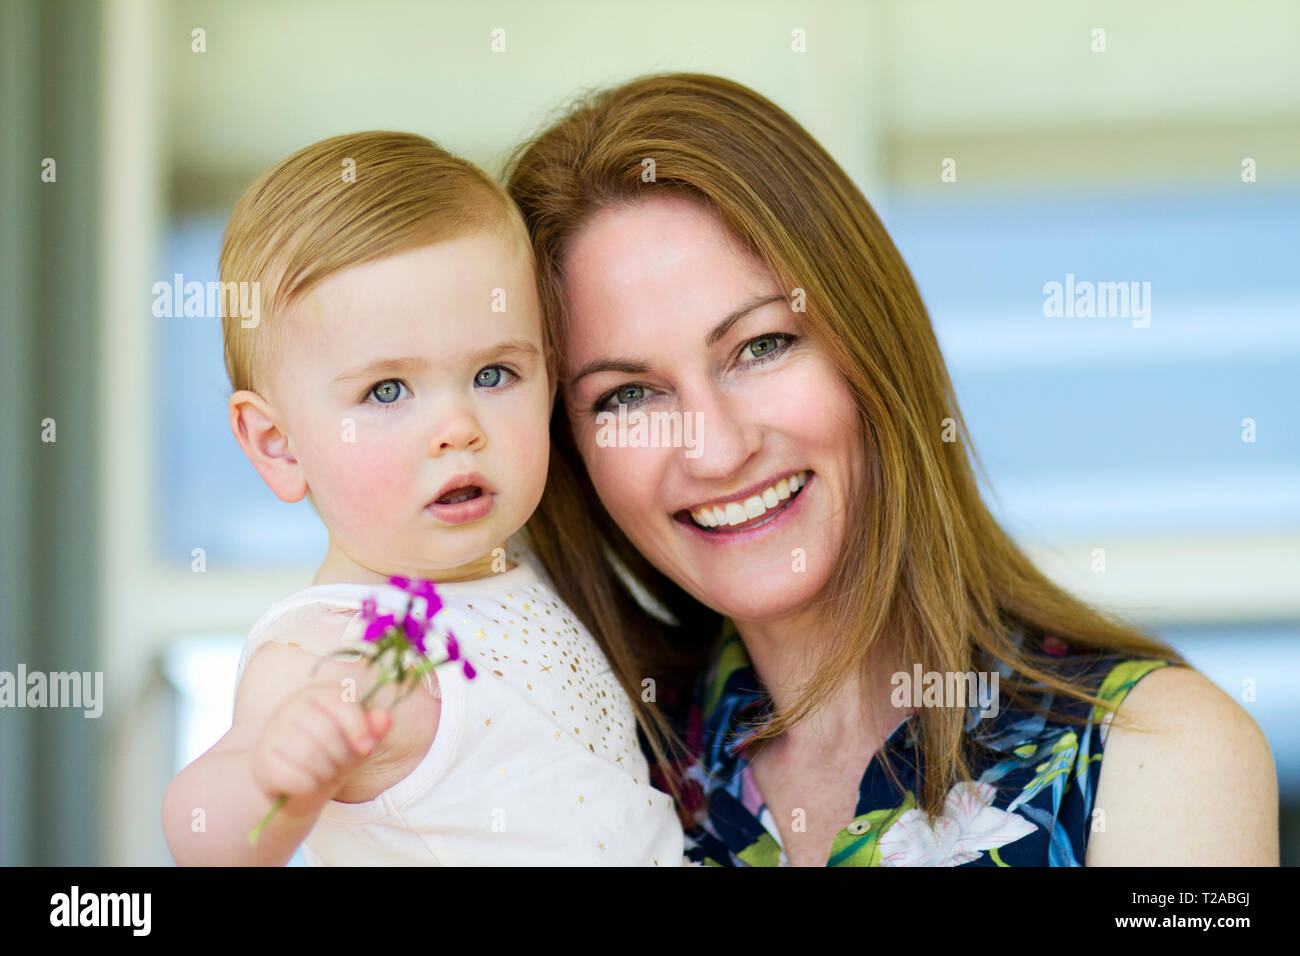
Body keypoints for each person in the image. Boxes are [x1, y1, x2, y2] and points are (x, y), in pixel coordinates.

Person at [505, 73, 1279, 866]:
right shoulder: (576, 781)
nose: (715, 450)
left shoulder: (1159, 757)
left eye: (763, 346)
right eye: (628, 394)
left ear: (870, 344)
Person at [161, 131, 686, 866]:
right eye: (386, 390)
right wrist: (269, 774)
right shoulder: (333, 647)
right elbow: (204, 836)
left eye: (495, 374)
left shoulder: (522, 569)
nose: (458, 428)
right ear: (278, 446)